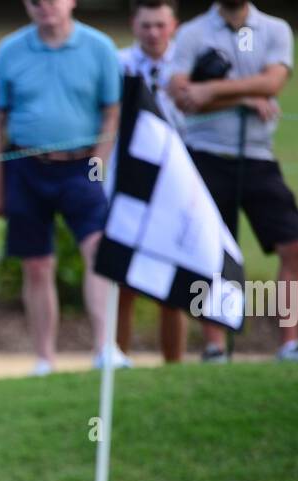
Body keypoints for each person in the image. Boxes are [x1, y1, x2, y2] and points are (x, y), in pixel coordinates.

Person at [169, 0, 298, 362]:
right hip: (205, 156)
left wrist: (214, 90)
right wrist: (248, 95)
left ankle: (289, 344)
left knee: (295, 246)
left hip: (258, 156)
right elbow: (182, 95)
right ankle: (215, 347)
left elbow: (274, 81)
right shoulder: (192, 33)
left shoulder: (275, 29)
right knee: (208, 251)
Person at [0, 0, 124, 375]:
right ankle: (44, 358)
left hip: (83, 165)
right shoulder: (10, 50)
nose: (44, 7)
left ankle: (104, 348)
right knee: (36, 264)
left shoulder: (99, 47)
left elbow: (111, 113)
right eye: (35, 1)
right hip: (24, 166)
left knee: (98, 250)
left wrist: (99, 167)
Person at [115, 0, 193, 364]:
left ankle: (174, 365)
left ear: (174, 25)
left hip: (178, 184)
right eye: (146, 25)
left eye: (160, 25)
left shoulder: (188, 63)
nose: (153, 33)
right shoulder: (117, 64)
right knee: (122, 278)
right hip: (130, 181)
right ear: (134, 24)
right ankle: (117, 359)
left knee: (172, 277)